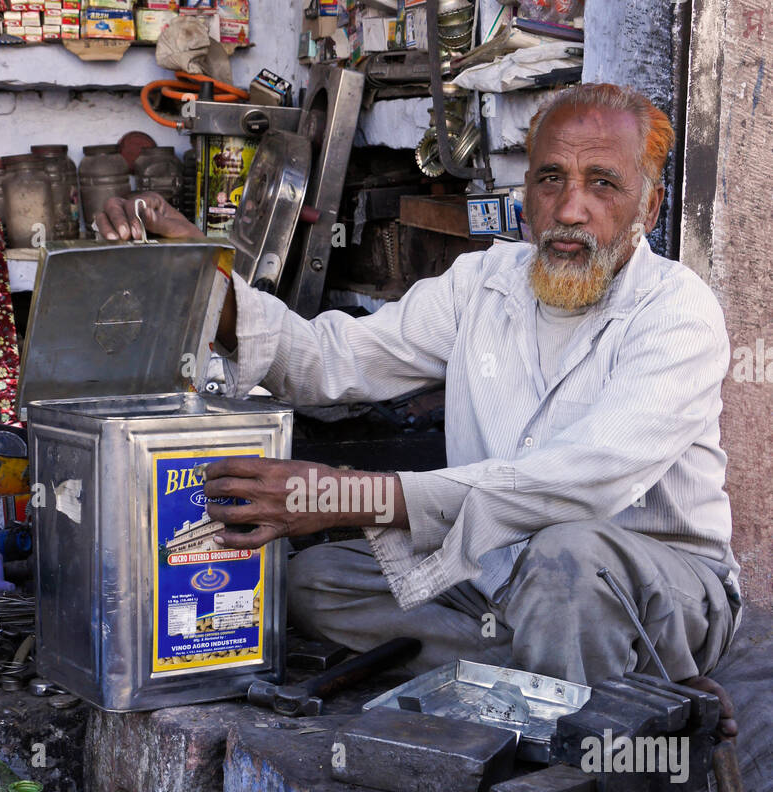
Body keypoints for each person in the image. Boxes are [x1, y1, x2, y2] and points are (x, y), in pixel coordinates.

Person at [96, 83, 740, 728]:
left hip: (650, 582)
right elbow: (331, 361)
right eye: (550, 179)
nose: (570, 208)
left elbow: (584, 479)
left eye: (603, 184)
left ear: (649, 208)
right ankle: (568, 674)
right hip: (496, 571)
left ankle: (573, 738)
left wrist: (347, 497)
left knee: (567, 557)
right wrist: (201, 271)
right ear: (525, 196)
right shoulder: (482, 283)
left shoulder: (676, 311)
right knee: (314, 583)